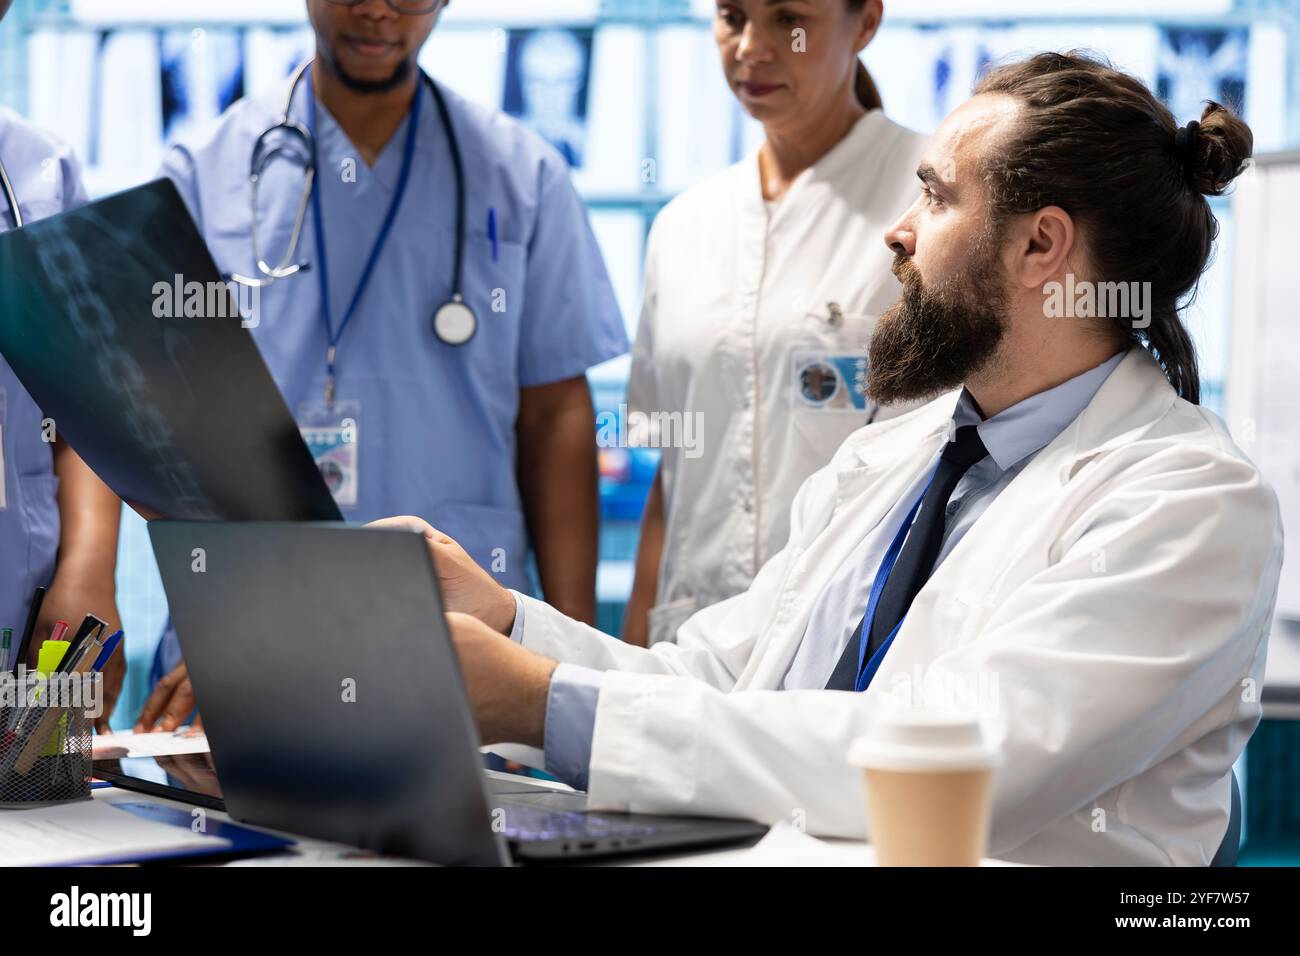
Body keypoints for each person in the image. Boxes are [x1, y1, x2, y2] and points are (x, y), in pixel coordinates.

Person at [381, 52, 1282, 865]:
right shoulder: (898, 455)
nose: (897, 233)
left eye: (934, 196)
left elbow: (953, 765)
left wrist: (537, 704)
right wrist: (507, 625)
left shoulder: (1189, 503)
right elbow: (730, 683)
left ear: (1040, 245)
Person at [134, 0, 627, 730]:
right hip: (253, 631)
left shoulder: (522, 175)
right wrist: (221, 622)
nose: (376, 11)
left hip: (467, 639)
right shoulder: (206, 173)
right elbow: (154, 423)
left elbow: (556, 416)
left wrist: (565, 663)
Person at [622, 0, 928, 646]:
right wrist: (621, 665)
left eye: (788, 17)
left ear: (866, 22)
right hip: (685, 641)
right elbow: (674, 470)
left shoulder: (932, 200)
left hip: (847, 644)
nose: (753, 48)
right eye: (732, 16)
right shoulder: (684, 226)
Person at [0, 0, 125, 730]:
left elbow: (88, 400)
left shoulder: (40, 167)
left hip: (32, 610)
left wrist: (88, 569)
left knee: (47, 829)